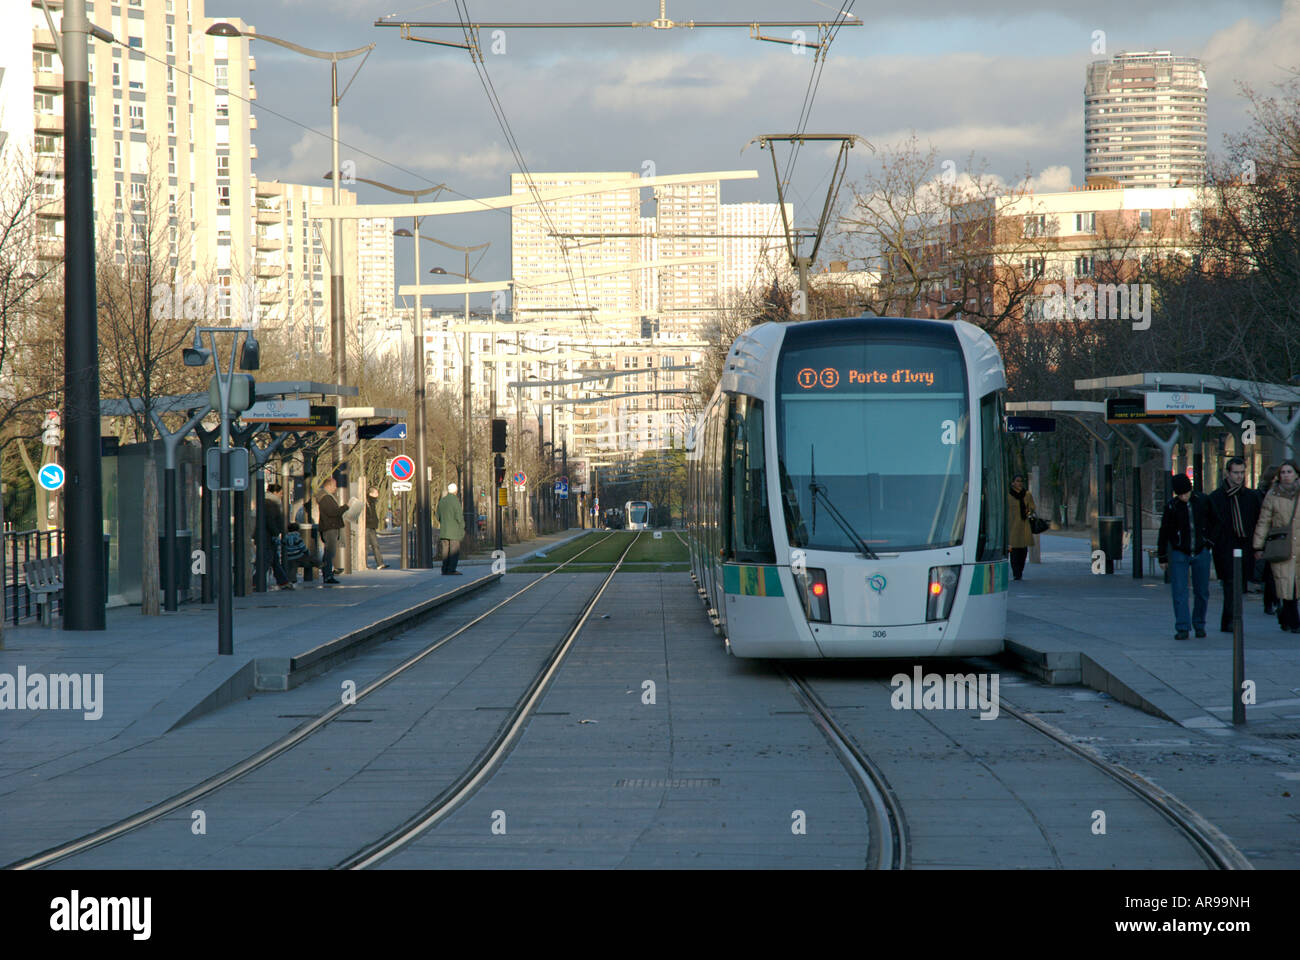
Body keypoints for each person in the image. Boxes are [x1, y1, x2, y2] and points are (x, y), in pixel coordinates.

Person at [1157, 473, 1214, 640]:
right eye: (1180, 494)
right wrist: (1162, 556)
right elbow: (1164, 531)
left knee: (1202, 591)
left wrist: (1209, 542)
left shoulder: (1203, 501)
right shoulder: (1172, 506)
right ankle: (1182, 627)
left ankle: (1199, 624)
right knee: (1179, 590)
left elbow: (1215, 522)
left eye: (1186, 493)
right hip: (1180, 552)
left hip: (1201, 550)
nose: (1183, 497)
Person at [1207, 457, 1261, 632]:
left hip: (1245, 546)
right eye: (1236, 473)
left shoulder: (1251, 497)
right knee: (1230, 584)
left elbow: (1257, 520)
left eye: (1241, 472)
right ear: (1228, 473)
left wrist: (1257, 546)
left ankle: (1231, 619)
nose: (1239, 476)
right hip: (1225, 547)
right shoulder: (1216, 497)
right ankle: (1230, 620)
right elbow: (1211, 524)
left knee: (1240, 585)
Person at [1253, 460, 1300, 634]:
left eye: (1289, 472)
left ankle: (1286, 616)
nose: (1286, 475)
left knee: (1294, 583)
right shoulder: (1272, 495)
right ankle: (1294, 621)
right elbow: (1264, 521)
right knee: (1286, 583)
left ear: (1296, 474)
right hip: (1281, 543)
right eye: (1283, 472)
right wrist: (1258, 546)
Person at [260, 483, 292, 590]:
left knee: (274, 559)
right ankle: (256, 581)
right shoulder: (272, 502)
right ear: (275, 492)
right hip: (268, 535)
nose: (282, 496)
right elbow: (272, 520)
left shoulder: (267, 501)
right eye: (281, 493)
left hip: (267, 534)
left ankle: (283, 581)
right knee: (269, 559)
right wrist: (276, 532)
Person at [1006, 474, 1038, 581]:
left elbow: (1032, 507)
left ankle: (1020, 570)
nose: (1019, 483)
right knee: (1014, 551)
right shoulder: (1008, 495)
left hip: (1024, 525)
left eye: (1021, 481)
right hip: (1012, 526)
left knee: (1023, 551)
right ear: (1013, 482)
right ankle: (1016, 573)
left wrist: (1029, 511)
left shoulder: (1027, 494)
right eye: (1017, 481)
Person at [315, 476, 346, 585]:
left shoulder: (326, 496)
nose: (336, 488)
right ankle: (327, 575)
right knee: (329, 552)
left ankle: (327, 573)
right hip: (330, 528)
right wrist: (346, 507)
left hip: (329, 527)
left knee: (329, 553)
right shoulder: (326, 498)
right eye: (334, 486)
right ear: (329, 485)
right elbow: (333, 512)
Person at [437, 482, 466, 575]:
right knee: (454, 551)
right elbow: (459, 517)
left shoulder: (442, 501)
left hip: (444, 531)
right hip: (454, 531)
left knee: (445, 551)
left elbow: (437, 515)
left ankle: (444, 569)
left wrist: (443, 523)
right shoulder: (455, 501)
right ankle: (451, 569)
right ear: (456, 491)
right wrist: (462, 528)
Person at [365, 487, 388, 569]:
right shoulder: (366, 502)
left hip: (372, 526)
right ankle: (364, 564)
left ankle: (380, 563)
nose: (377, 495)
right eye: (376, 493)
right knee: (366, 546)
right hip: (367, 526)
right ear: (370, 493)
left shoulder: (372, 502)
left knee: (375, 545)